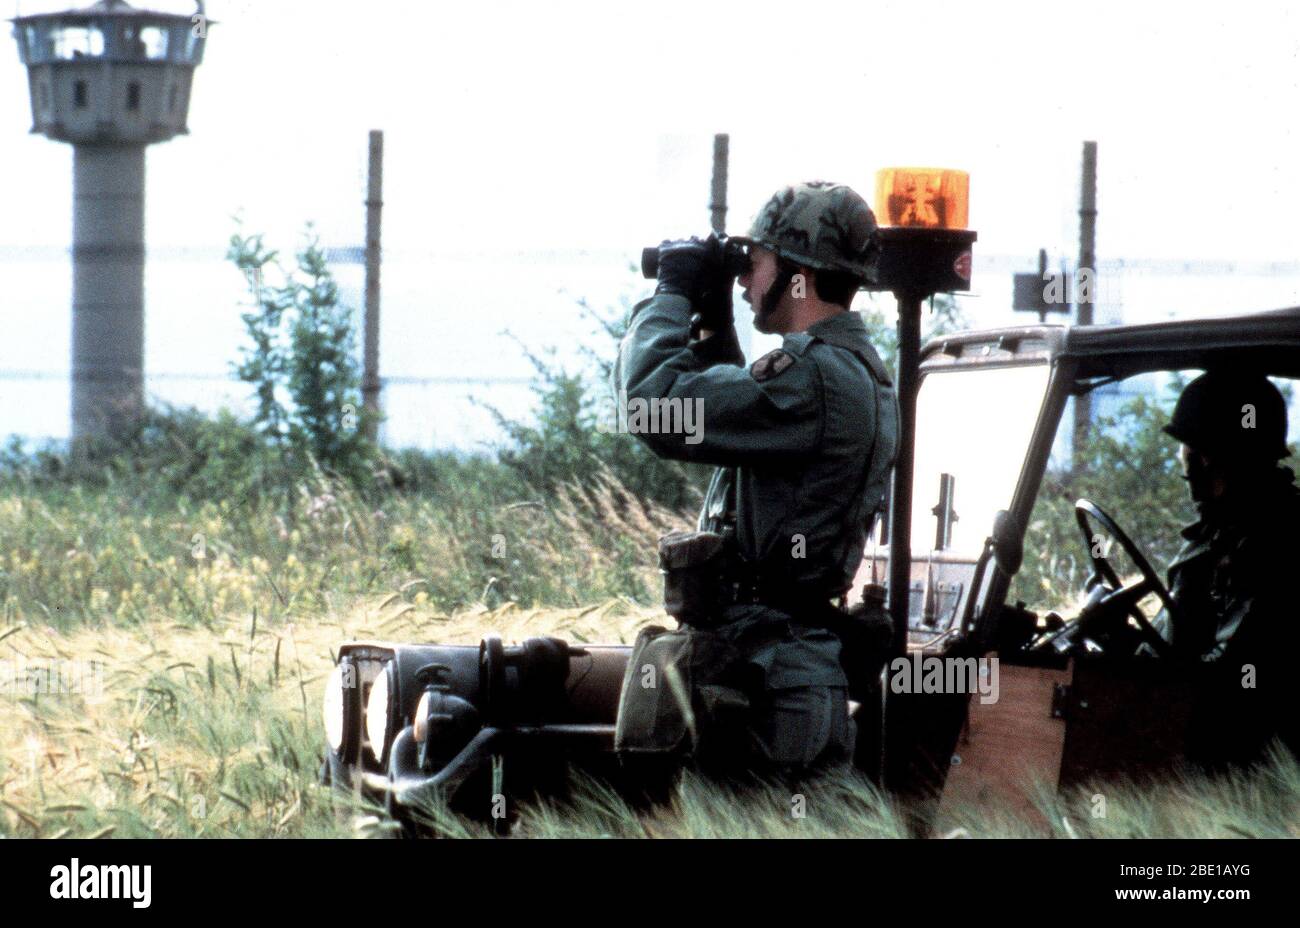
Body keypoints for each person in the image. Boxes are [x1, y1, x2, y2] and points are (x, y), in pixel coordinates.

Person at [614, 182, 899, 785]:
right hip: (781, 667)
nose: (744, 278)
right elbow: (738, 420)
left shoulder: (813, 377)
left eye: (755, 262)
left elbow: (653, 408)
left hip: (768, 682)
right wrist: (714, 314)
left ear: (798, 275)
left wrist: (670, 295)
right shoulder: (844, 371)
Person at [1153, 370, 1300, 768]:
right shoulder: (1218, 532)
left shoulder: (1276, 541)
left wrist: (1143, 676)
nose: (1189, 474)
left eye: (1192, 457)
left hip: (1249, 748)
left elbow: (1231, 663)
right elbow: (1172, 638)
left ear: (1213, 460)